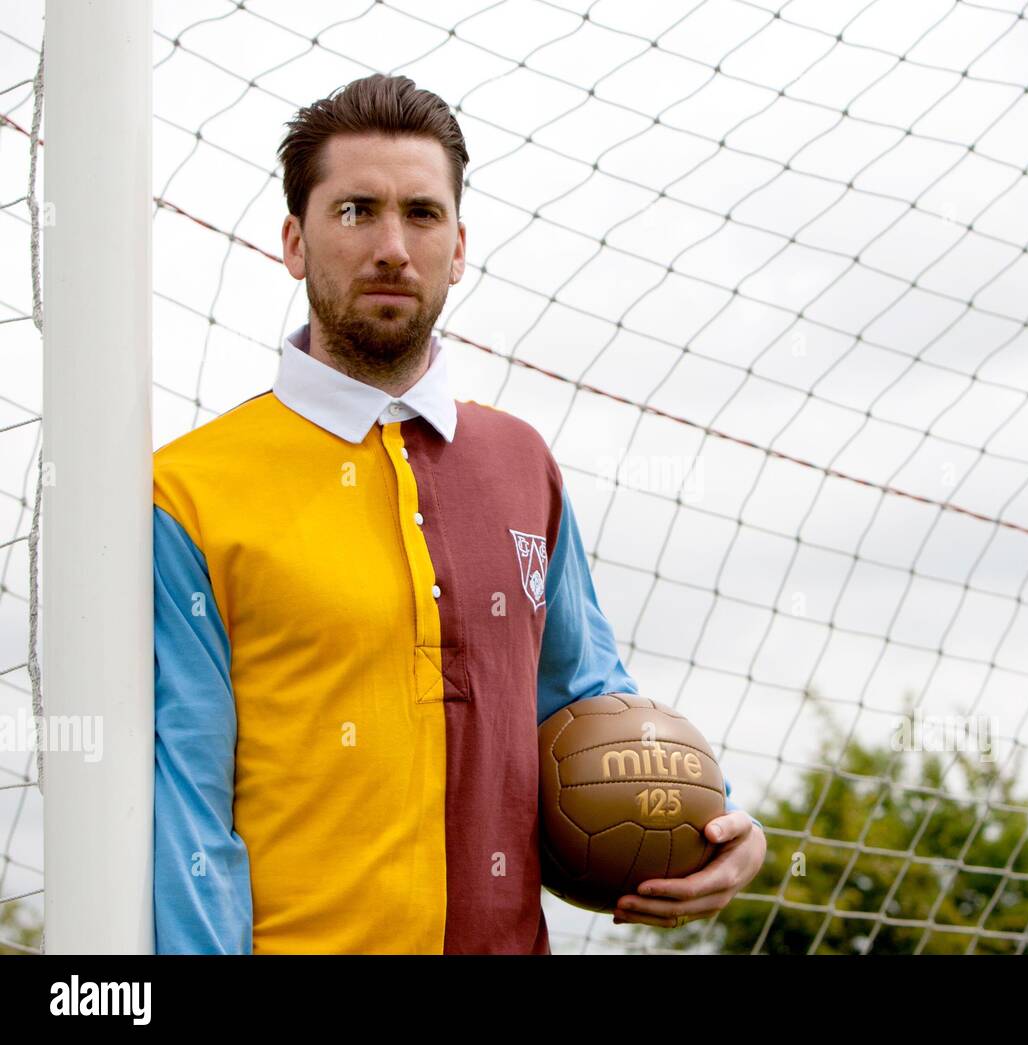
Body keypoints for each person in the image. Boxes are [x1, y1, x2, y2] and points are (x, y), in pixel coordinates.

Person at [152, 73, 766, 954]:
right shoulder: (188, 490)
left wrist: (722, 825)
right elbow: (186, 805)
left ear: (461, 244)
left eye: (423, 214)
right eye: (357, 210)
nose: (393, 246)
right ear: (295, 241)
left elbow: (588, 701)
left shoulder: (524, 465)